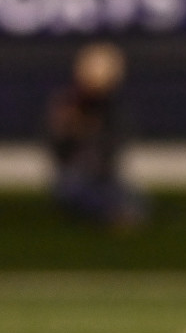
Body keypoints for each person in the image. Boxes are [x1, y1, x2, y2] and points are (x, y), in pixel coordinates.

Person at [46, 41, 147, 231]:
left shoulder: (114, 110)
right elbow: (59, 149)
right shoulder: (68, 104)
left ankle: (116, 212)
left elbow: (114, 147)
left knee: (135, 201)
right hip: (75, 176)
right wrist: (70, 127)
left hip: (104, 176)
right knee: (75, 190)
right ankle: (110, 214)